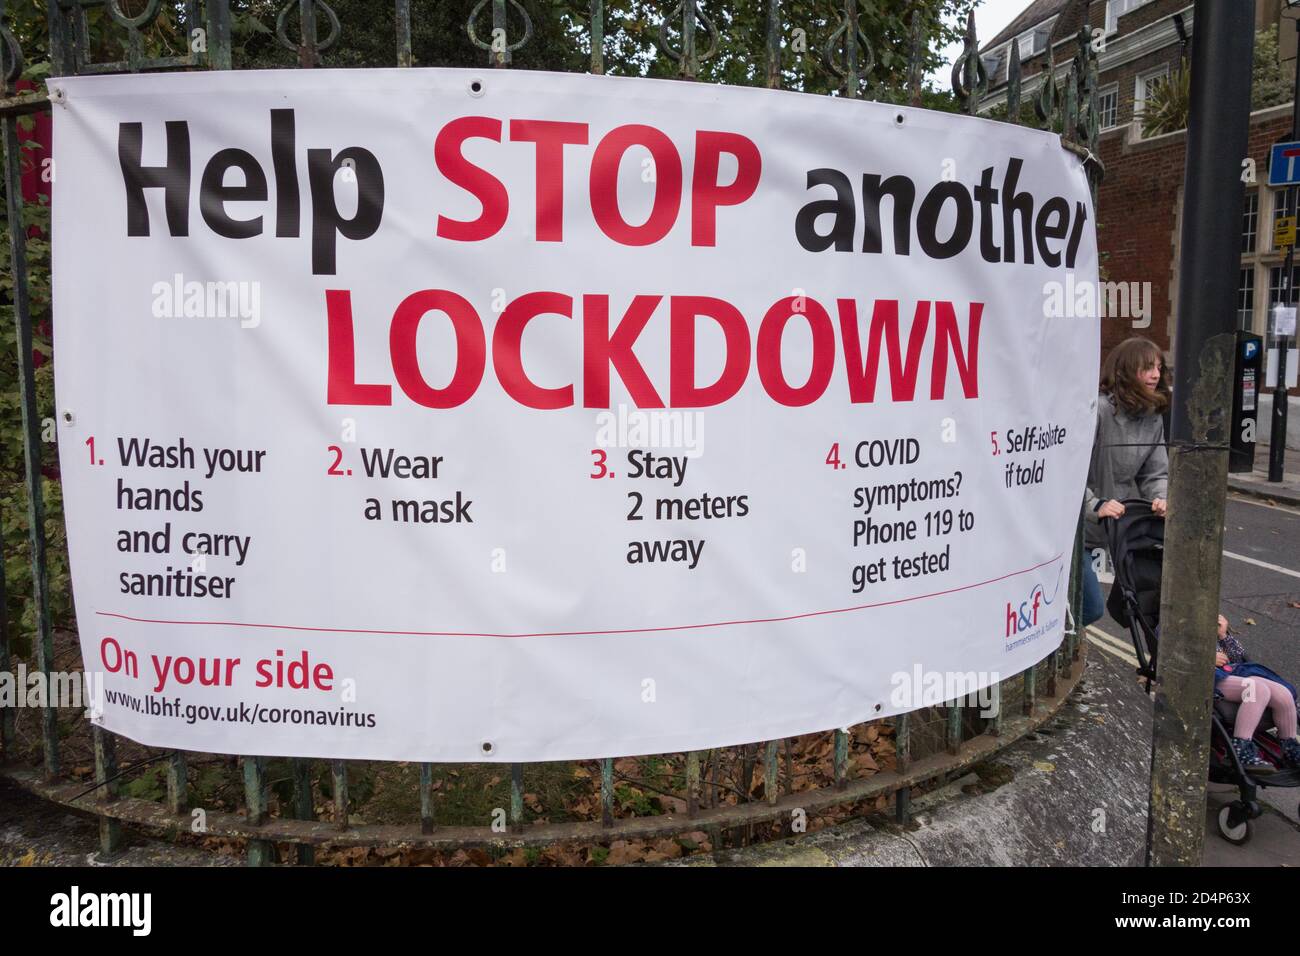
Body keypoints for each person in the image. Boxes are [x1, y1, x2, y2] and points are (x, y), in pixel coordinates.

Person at [1079, 337, 1170, 625]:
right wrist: (1095, 505)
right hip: (1074, 529)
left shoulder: (1152, 417)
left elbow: (1155, 471)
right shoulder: (1099, 412)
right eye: (1147, 367)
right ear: (1126, 371)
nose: (1156, 374)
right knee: (1089, 608)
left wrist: (1161, 496)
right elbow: (1069, 472)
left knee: (1135, 602)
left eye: (1158, 367)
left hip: (1109, 530)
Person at [1215, 614, 1300, 772]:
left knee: (1283, 695)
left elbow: (1239, 658)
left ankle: (1289, 748)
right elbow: (1172, 652)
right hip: (1205, 675)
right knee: (1255, 689)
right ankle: (1240, 748)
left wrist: (1223, 636)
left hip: (1233, 672)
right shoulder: (1173, 621)